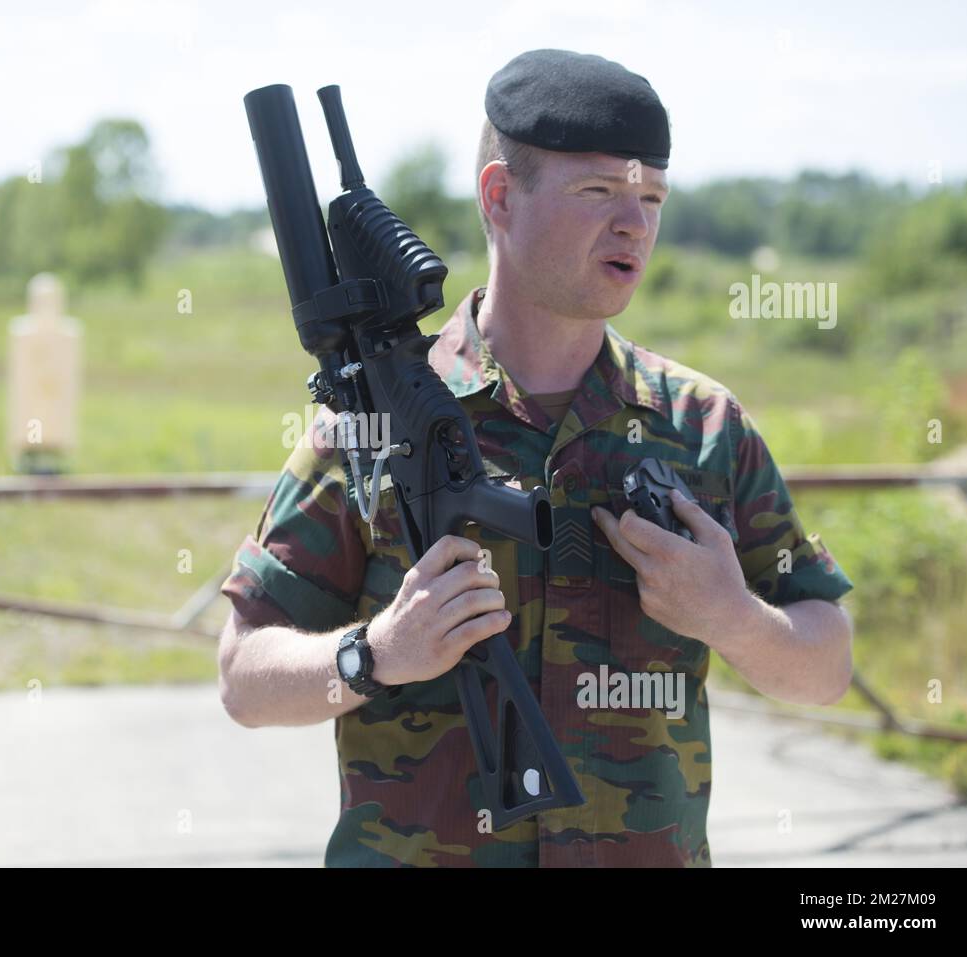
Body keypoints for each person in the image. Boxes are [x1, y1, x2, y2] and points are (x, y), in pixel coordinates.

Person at [218, 48, 854, 867]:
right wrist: (377, 653)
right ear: (499, 197)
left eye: (650, 197)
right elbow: (244, 676)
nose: (635, 224)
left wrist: (734, 616)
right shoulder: (371, 423)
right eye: (598, 192)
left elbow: (827, 662)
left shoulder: (702, 426)